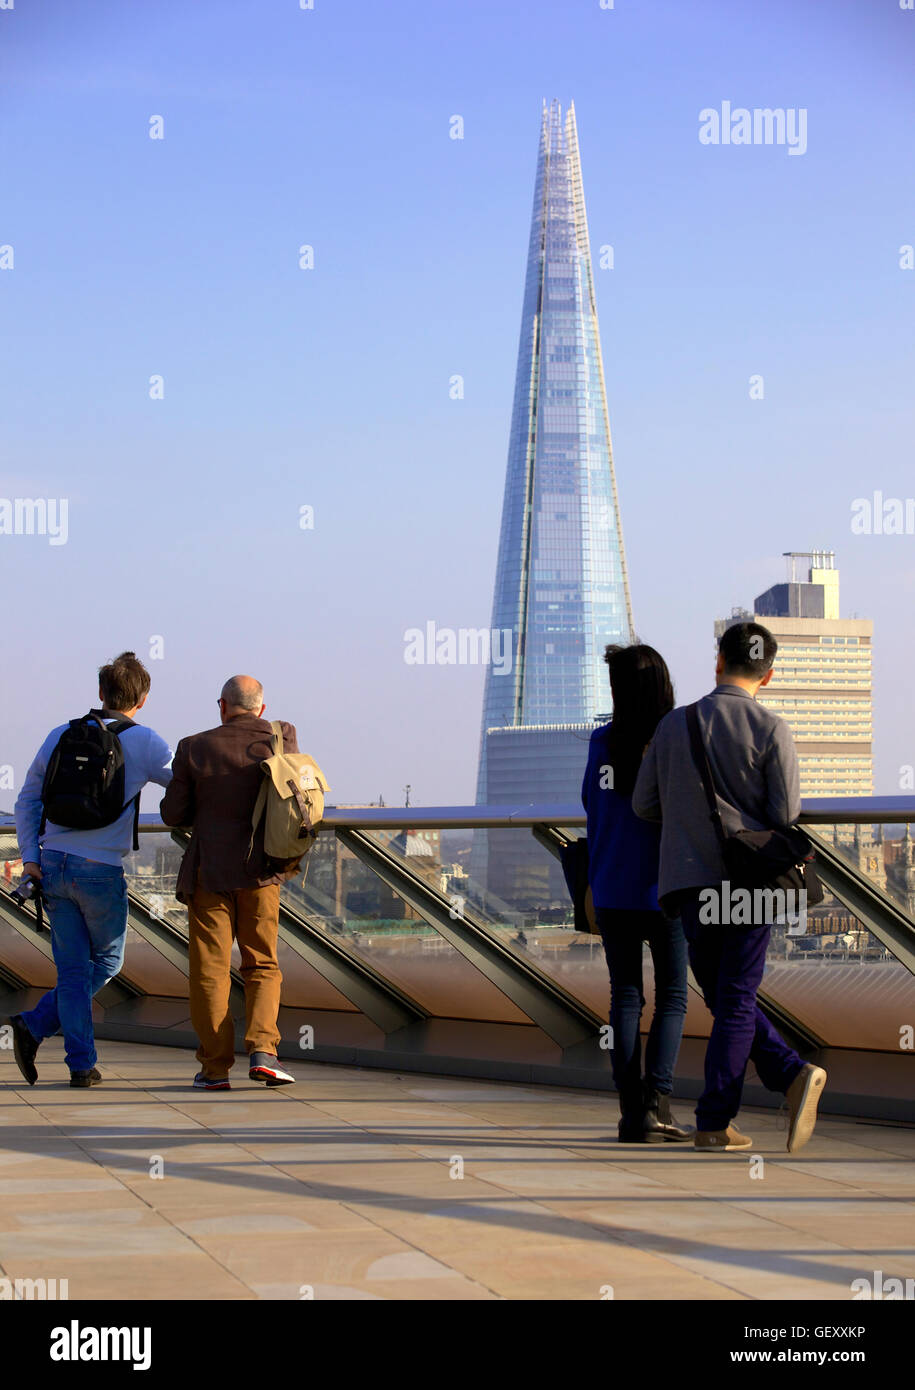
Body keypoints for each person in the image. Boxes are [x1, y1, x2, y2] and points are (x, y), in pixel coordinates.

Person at [633, 622, 827, 1153]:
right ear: (770, 673)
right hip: (749, 884)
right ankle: (717, 1119)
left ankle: (790, 1076)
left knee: (723, 996)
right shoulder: (771, 728)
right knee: (736, 997)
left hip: (690, 885)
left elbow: (643, 805)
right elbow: (786, 813)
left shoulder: (674, 726)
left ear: (717, 660)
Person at [9, 652, 173, 1088]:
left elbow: (26, 800)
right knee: (108, 961)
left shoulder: (61, 734)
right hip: (100, 869)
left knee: (74, 970)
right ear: (143, 698)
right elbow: (185, 784)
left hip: (53, 865)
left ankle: (79, 1063)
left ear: (100, 693)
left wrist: (30, 858)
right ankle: (36, 1026)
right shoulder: (146, 741)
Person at [160, 675, 303, 1090]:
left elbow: (172, 813)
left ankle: (215, 1069)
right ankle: (264, 1052)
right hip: (262, 869)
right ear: (261, 708)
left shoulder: (194, 747)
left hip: (209, 873)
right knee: (261, 962)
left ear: (221, 706)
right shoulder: (281, 735)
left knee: (210, 970)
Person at [582, 644, 691, 1143]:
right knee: (671, 995)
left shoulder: (601, 743)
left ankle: (631, 1112)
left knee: (625, 997)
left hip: (609, 886)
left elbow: (591, 804)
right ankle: (657, 1102)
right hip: (665, 888)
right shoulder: (673, 741)